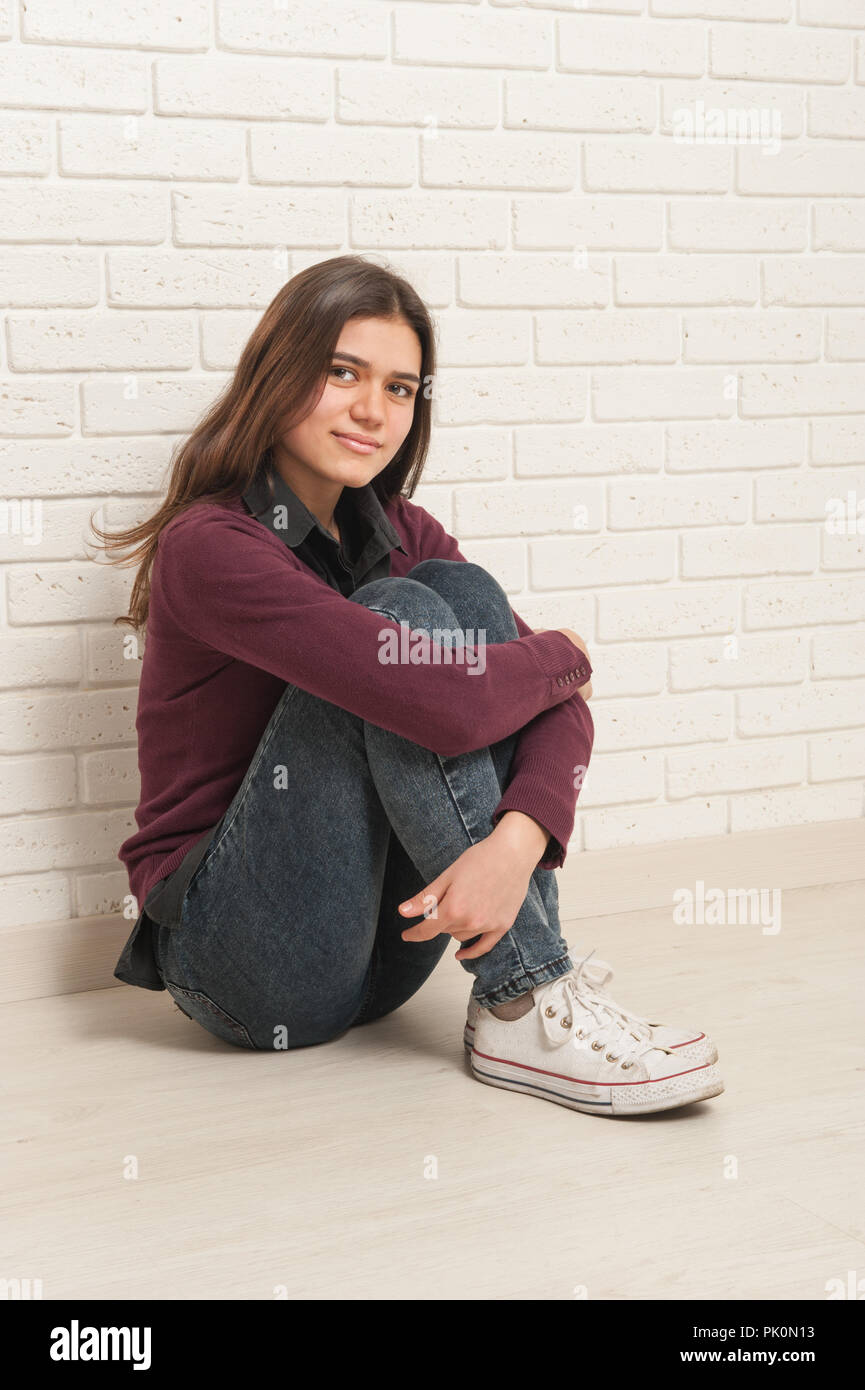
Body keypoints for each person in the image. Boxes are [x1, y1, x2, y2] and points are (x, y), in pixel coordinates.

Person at [92, 254, 723, 1118]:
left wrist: (514, 846)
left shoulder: (404, 528)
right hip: (244, 962)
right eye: (342, 372)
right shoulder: (214, 545)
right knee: (409, 623)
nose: (371, 410)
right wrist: (565, 652)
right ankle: (523, 997)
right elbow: (455, 700)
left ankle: (522, 1000)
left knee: (457, 598)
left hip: (394, 950)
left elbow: (549, 712)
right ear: (278, 373)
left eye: (399, 388)